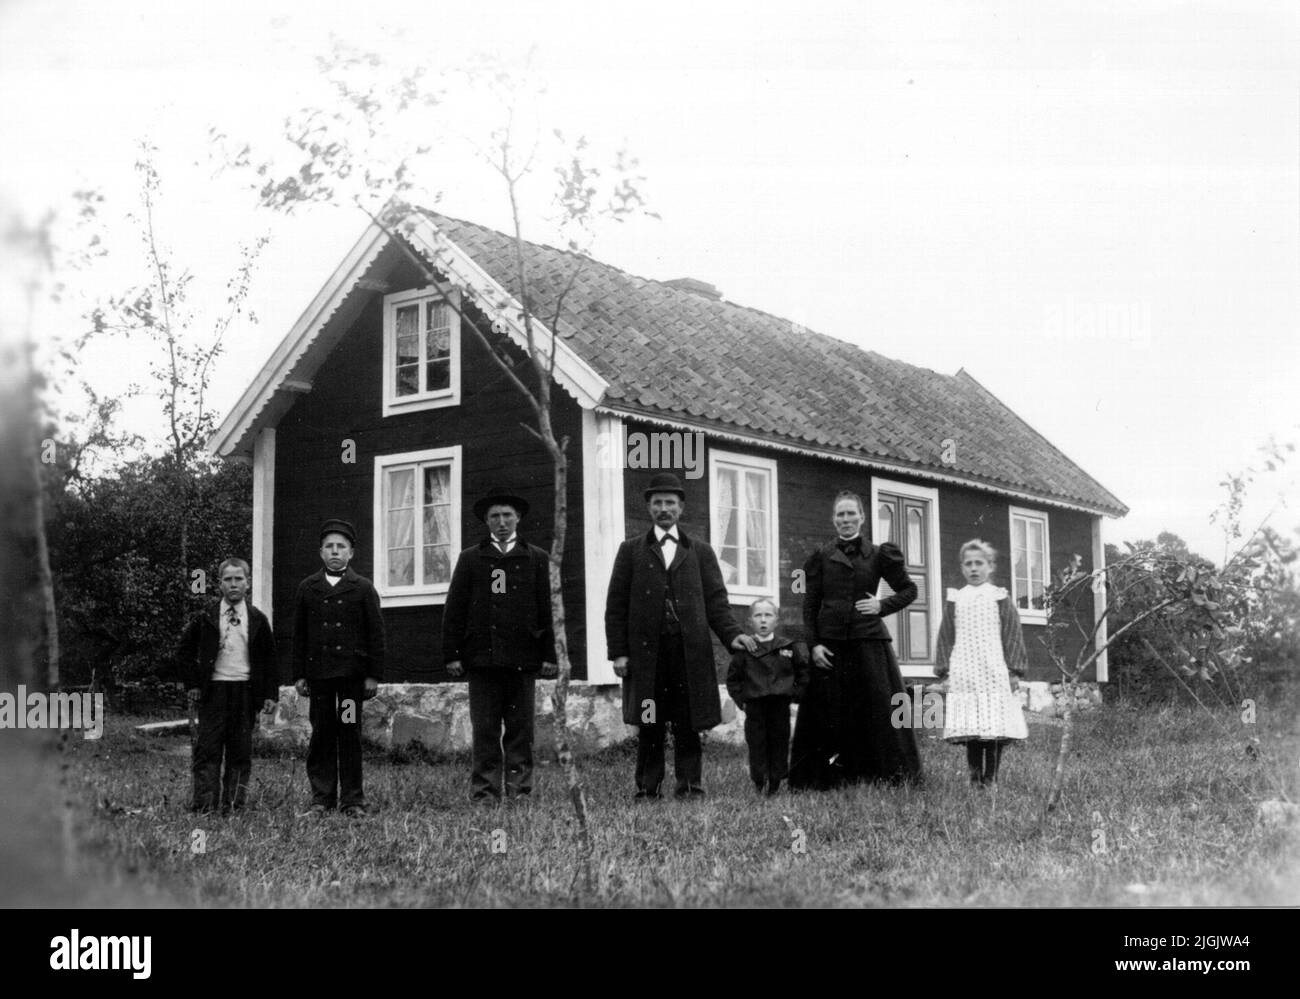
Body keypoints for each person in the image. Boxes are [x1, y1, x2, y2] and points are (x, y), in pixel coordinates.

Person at [605, 472, 756, 799]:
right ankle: (647, 789)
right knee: (650, 721)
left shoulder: (701, 552)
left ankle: (689, 787)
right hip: (648, 657)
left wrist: (734, 637)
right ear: (648, 507)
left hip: (688, 655)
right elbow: (615, 604)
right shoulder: (630, 551)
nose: (664, 509)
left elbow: (717, 603)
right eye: (657, 503)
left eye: (670, 503)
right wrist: (619, 652)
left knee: (688, 723)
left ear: (681, 508)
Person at [789, 489, 923, 789]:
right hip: (831, 645)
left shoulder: (878, 555)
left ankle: (888, 777)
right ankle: (825, 779)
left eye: (851, 514)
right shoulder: (821, 557)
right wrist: (814, 645)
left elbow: (909, 590)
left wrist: (881, 605)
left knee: (878, 708)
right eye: (840, 514)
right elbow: (810, 605)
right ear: (834, 519)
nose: (846, 519)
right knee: (830, 710)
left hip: (868, 642)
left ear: (862, 518)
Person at [442, 488, 557, 804]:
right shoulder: (470, 558)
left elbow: (549, 608)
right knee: (486, 729)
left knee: (521, 729)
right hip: (482, 659)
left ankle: (520, 791)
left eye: (508, 515)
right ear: (486, 521)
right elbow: (455, 609)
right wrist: (453, 654)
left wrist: (549, 654)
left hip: (523, 658)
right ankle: (485, 792)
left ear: (518, 518)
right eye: (495, 516)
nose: (502, 522)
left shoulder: (536, 558)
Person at [292, 518, 385, 818]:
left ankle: (352, 800)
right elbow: (299, 634)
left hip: (349, 678)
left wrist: (372, 675)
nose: (335, 552)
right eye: (329, 547)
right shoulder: (308, 588)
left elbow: (376, 635)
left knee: (348, 731)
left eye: (341, 547)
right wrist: (299, 674)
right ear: (321, 553)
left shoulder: (362, 588)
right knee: (321, 732)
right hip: (319, 678)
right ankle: (321, 799)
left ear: (351, 553)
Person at [177, 557, 278, 813]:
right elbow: (184, 651)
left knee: (240, 752)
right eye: (228, 579)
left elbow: (270, 659)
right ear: (220, 584)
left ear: (248, 583)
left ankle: (233, 805)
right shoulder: (206, 617)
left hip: (245, 692)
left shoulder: (257, 619)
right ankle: (205, 805)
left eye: (239, 579)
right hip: (214, 692)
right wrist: (193, 684)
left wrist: (269, 694)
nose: (234, 584)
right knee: (208, 749)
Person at [934, 539, 1029, 786]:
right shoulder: (956, 599)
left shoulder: (999, 597)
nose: (974, 569)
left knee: (993, 727)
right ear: (962, 568)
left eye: (979, 563)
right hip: (965, 670)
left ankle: (991, 778)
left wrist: (1014, 670)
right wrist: (944, 671)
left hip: (993, 669)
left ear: (990, 566)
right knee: (973, 728)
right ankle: (975, 778)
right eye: (968, 564)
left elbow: (1012, 633)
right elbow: (946, 636)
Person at [726, 597, 810, 795]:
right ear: (750, 621)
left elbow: (803, 673)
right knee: (757, 744)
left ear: (776, 621)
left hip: (779, 705)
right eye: (758, 615)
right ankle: (759, 781)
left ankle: (775, 782)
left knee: (779, 743)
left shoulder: (788, 647)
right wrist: (742, 702)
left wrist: (793, 695)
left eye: (768, 615)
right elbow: (733, 680)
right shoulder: (745, 650)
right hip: (755, 706)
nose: (763, 620)